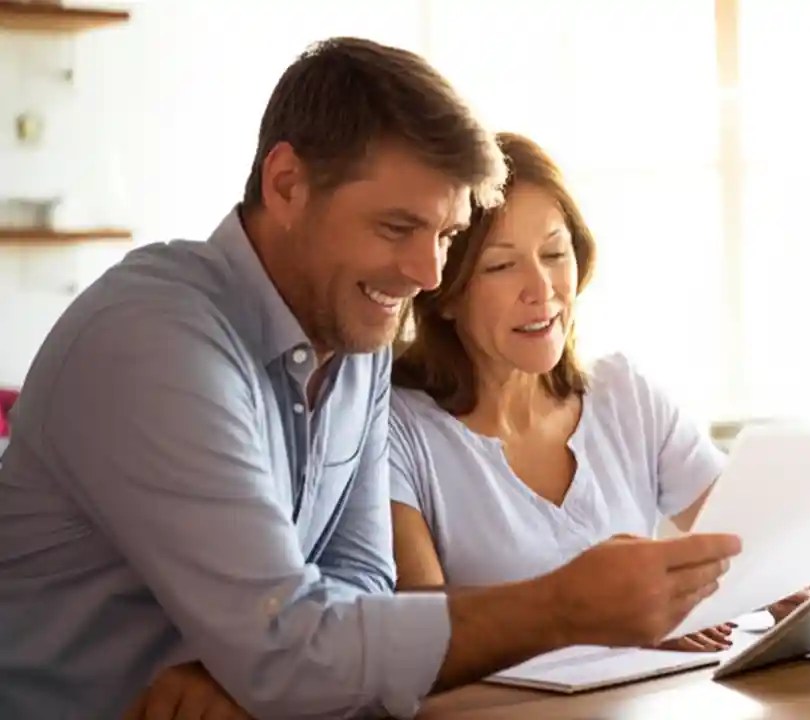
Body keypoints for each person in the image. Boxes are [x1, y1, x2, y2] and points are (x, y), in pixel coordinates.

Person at [0, 38, 739, 720]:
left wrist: (259, 669)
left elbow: (356, 585)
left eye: (447, 235)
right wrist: (562, 606)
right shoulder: (157, 341)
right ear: (287, 185)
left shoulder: (353, 340)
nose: (428, 274)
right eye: (397, 228)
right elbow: (293, 649)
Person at [386, 132, 810, 654]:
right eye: (500, 266)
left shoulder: (623, 393)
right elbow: (417, 633)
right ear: (445, 293)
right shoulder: (396, 429)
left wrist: (802, 585)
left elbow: (753, 540)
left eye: (554, 253)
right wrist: (607, 617)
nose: (542, 289)